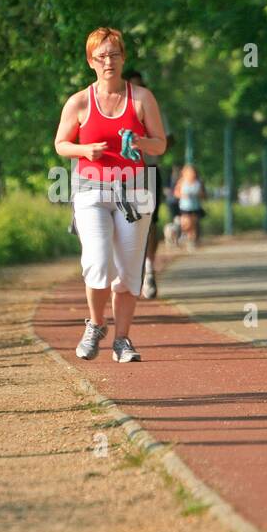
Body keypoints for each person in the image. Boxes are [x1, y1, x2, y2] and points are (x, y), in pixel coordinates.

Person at [54, 28, 167, 363]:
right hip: (91, 191)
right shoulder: (79, 102)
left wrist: (141, 141)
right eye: (101, 56)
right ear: (91, 61)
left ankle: (122, 340)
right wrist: (84, 150)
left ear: (123, 58)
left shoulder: (141, 99)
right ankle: (96, 324)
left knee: (129, 271)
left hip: (134, 192)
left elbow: (160, 144)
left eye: (114, 54)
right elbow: (61, 144)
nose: (108, 62)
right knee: (98, 261)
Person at [123, 69, 172, 298]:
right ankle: (127, 271)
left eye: (140, 85)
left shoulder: (152, 108)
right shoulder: (110, 107)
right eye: (133, 86)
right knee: (122, 222)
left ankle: (150, 270)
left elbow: (168, 140)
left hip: (148, 170)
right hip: (119, 173)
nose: (137, 90)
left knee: (150, 222)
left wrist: (147, 142)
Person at [173, 163, 205, 250]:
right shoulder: (182, 181)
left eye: (193, 172)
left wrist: (198, 195)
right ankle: (180, 231)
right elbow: (176, 193)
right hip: (185, 207)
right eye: (189, 172)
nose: (192, 174)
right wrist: (183, 195)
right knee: (187, 224)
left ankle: (191, 242)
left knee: (193, 225)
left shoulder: (198, 182)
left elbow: (203, 194)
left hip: (195, 206)